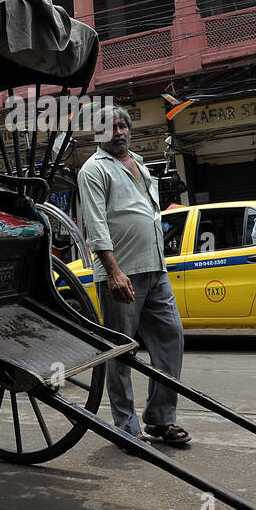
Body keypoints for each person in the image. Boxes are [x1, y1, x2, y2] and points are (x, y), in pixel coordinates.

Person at [78, 106, 189, 447]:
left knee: (171, 339)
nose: (119, 132)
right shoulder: (93, 170)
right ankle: (125, 427)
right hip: (121, 274)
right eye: (111, 128)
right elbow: (96, 224)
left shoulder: (140, 163)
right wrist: (113, 272)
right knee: (121, 352)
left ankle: (160, 419)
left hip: (156, 268)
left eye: (123, 125)